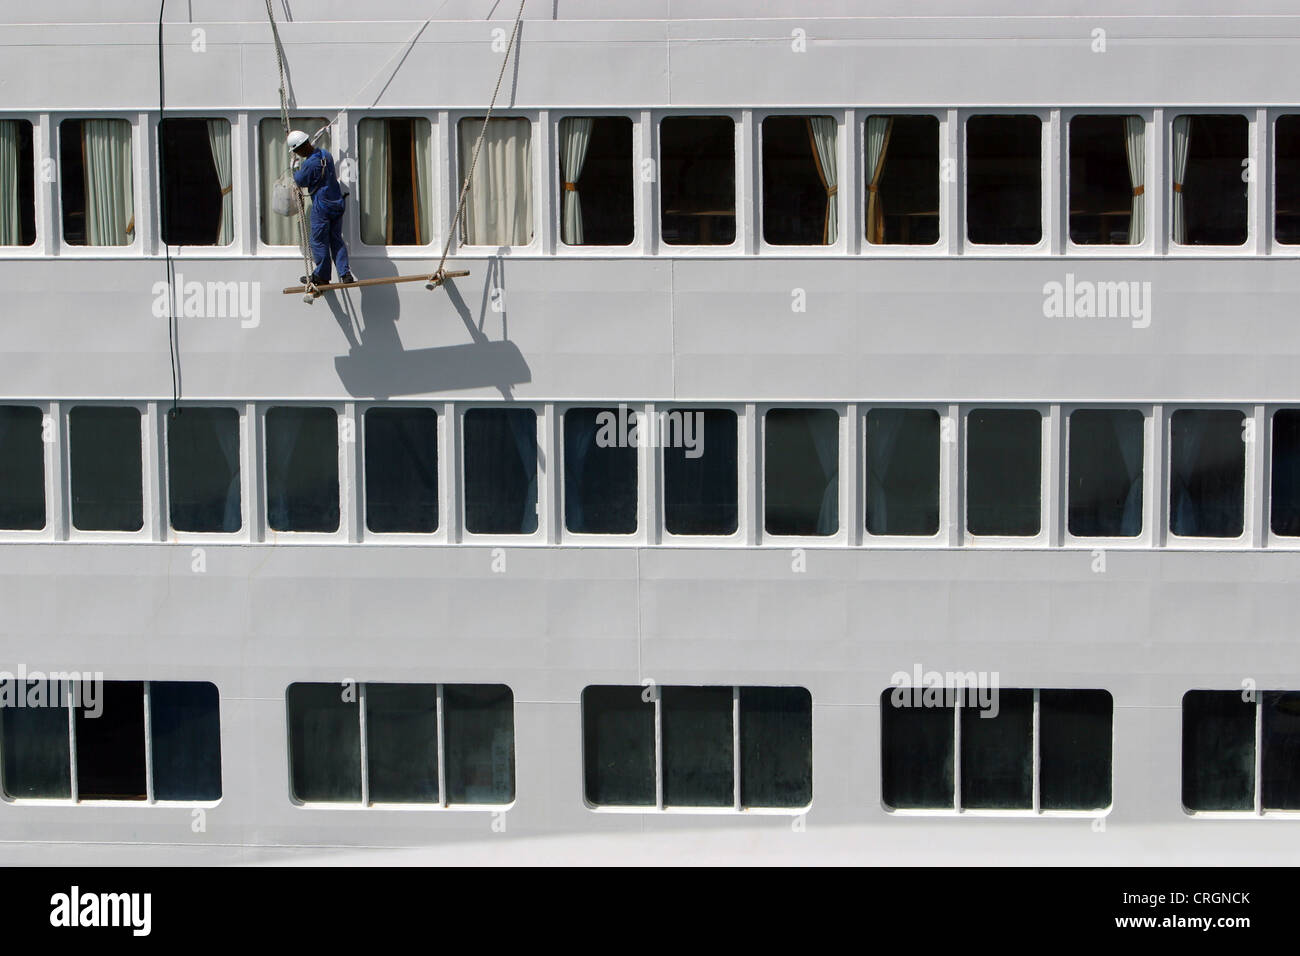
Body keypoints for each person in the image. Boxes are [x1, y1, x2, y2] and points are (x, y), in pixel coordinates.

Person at [288, 129, 355, 286]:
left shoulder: (311, 163)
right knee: (336, 240)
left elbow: (300, 181)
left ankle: (322, 276)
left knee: (319, 241)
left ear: (301, 147)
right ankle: (345, 274)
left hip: (322, 206)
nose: (297, 154)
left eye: (296, 151)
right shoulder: (326, 154)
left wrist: (296, 168)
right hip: (337, 203)